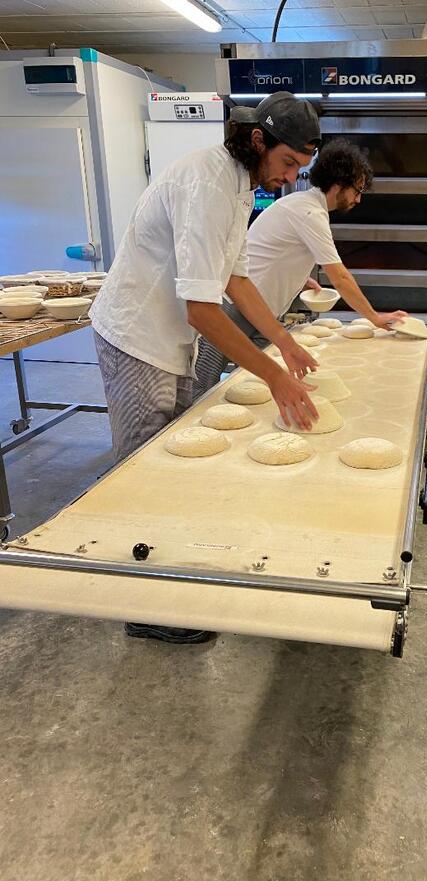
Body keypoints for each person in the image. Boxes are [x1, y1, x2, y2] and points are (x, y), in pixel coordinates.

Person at [89, 92, 322, 645]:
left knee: (171, 465)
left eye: (300, 168)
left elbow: (236, 280)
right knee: (142, 472)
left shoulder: (239, 188)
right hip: (137, 338)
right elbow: (201, 308)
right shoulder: (206, 183)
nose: (290, 178)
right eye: (288, 162)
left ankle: (169, 579)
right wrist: (273, 375)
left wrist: (284, 342)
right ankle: (143, 608)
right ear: (258, 140)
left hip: (170, 341)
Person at [193, 138, 408, 398]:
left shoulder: (302, 205)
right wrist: (374, 317)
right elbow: (339, 277)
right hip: (232, 310)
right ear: (339, 184)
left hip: (262, 316)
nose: (358, 199)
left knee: (256, 388)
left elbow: (272, 251)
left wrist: (300, 278)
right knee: (201, 392)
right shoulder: (310, 213)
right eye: (357, 190)